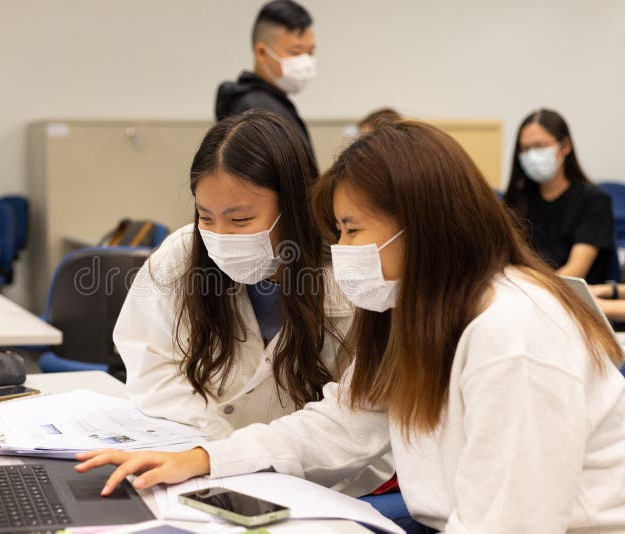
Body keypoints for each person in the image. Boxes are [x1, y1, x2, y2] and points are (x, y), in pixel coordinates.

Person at [77, 121, 625, 533]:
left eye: (351, 229)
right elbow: (344, 420)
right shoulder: (422, 309)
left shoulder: (512, 332)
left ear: (423, 225)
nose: (339, 250)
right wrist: (204, 459)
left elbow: (509, 523)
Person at [112, 109, 393, 495]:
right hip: (198, 462)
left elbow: (351, 422)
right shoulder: (182, 255)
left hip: (325, 483)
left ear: (293, 209)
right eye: (206, 217)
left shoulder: (353, 281)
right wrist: (216, 448)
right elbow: (151, 364)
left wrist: (228, 456)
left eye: (240, 220)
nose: (220, 235)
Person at [504, 108, 616, 284]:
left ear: (565, 146)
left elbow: (574, 272)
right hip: (526, 290)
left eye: (539, 146)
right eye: (525, 149)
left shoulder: (594, 200)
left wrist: (532, 288)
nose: (531, 156)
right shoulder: (516, 200)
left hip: (572, 295)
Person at [215, 0, 315, 149]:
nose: (306, 61)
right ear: (261, 52)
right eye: (296, 52)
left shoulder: (274, 103)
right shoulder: (257, 113)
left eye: (310, 52)